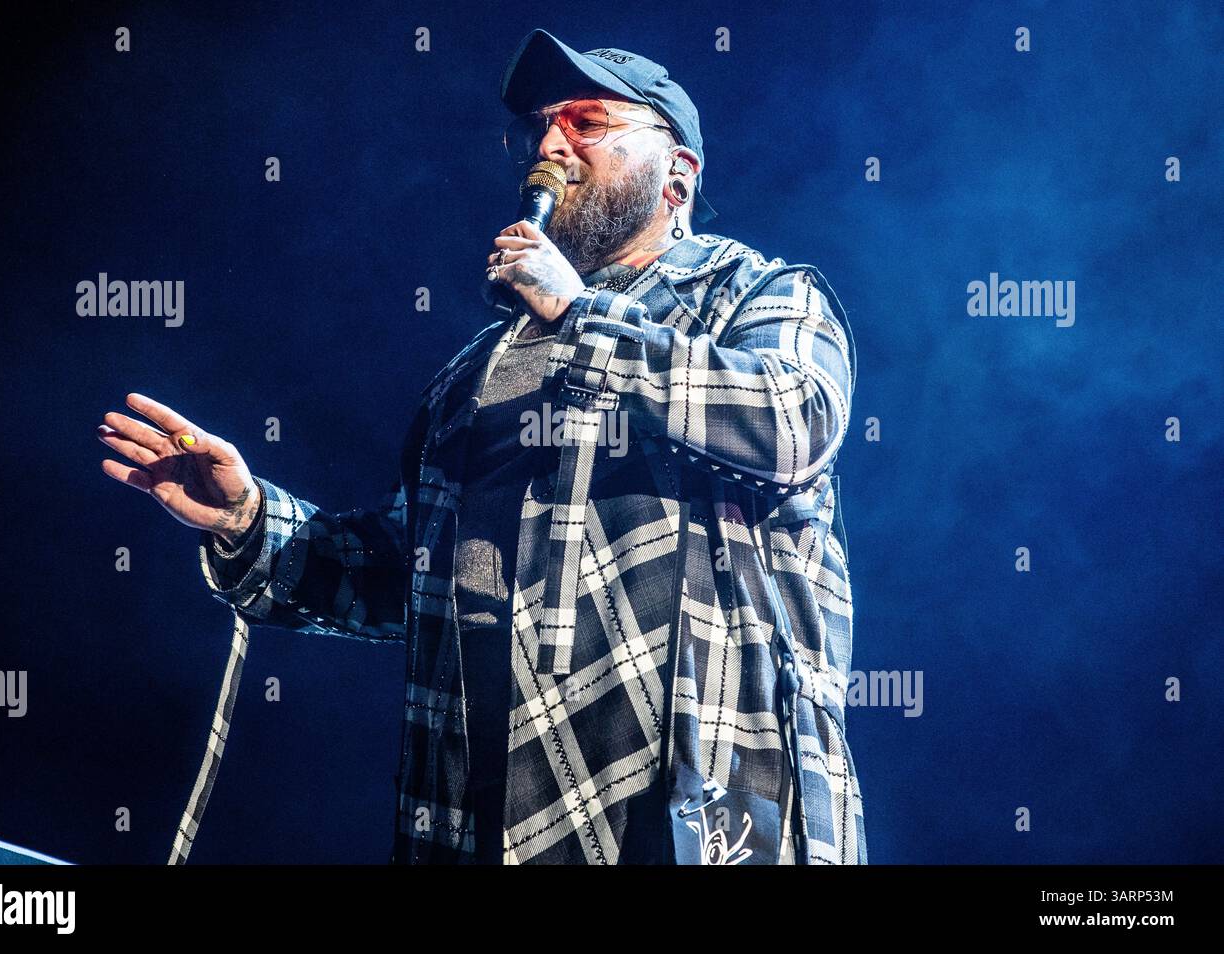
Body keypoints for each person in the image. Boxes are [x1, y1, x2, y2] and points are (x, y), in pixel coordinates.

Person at [97, 28, 865, 865]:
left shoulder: (755, 292)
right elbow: (408, 574)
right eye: (541, 126)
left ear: (678, 173)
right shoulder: (480, 367)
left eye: (587, 122)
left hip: (705, 808)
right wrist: (247, 518)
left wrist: (581, 315)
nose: (550, 145)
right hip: (488, 823)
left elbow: (796, 421)